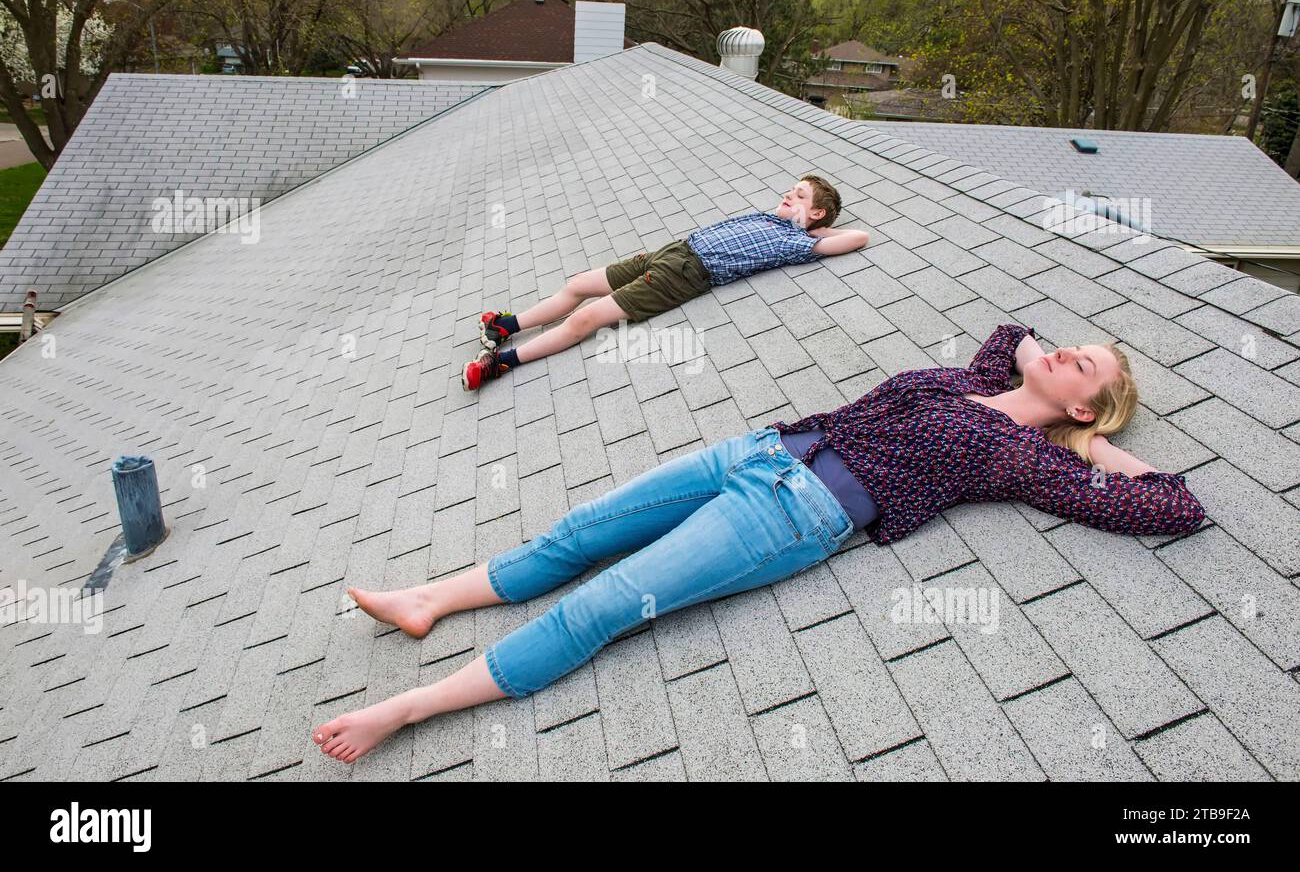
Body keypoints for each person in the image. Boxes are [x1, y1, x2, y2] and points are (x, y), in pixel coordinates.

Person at [312, 323, 1207, 763]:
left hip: (797, 512)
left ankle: (410, 707)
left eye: (1082, 367)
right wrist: (1050, 365)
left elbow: (1174, 506)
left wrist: (1093, 444)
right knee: (578, 531)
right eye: (1074, 347)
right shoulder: (974, 382)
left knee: (608, 600)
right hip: (761, 447)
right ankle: (431, 597)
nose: (1060, 354)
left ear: (1083, 404)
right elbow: (1012, 334)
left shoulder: (1020, 454)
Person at [461, 174, 871, 390]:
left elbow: (859, 237)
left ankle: (500, 364)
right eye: (790, 190)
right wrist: (799, 211)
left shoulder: (794, 241)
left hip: (684, 275)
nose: (787, 196)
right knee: (579, 283)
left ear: (815, 215)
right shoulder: (772, 218)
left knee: (587, 319)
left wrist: (813, 230)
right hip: (672, 250)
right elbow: (794, 212)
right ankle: (506, 327)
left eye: (798, 196)